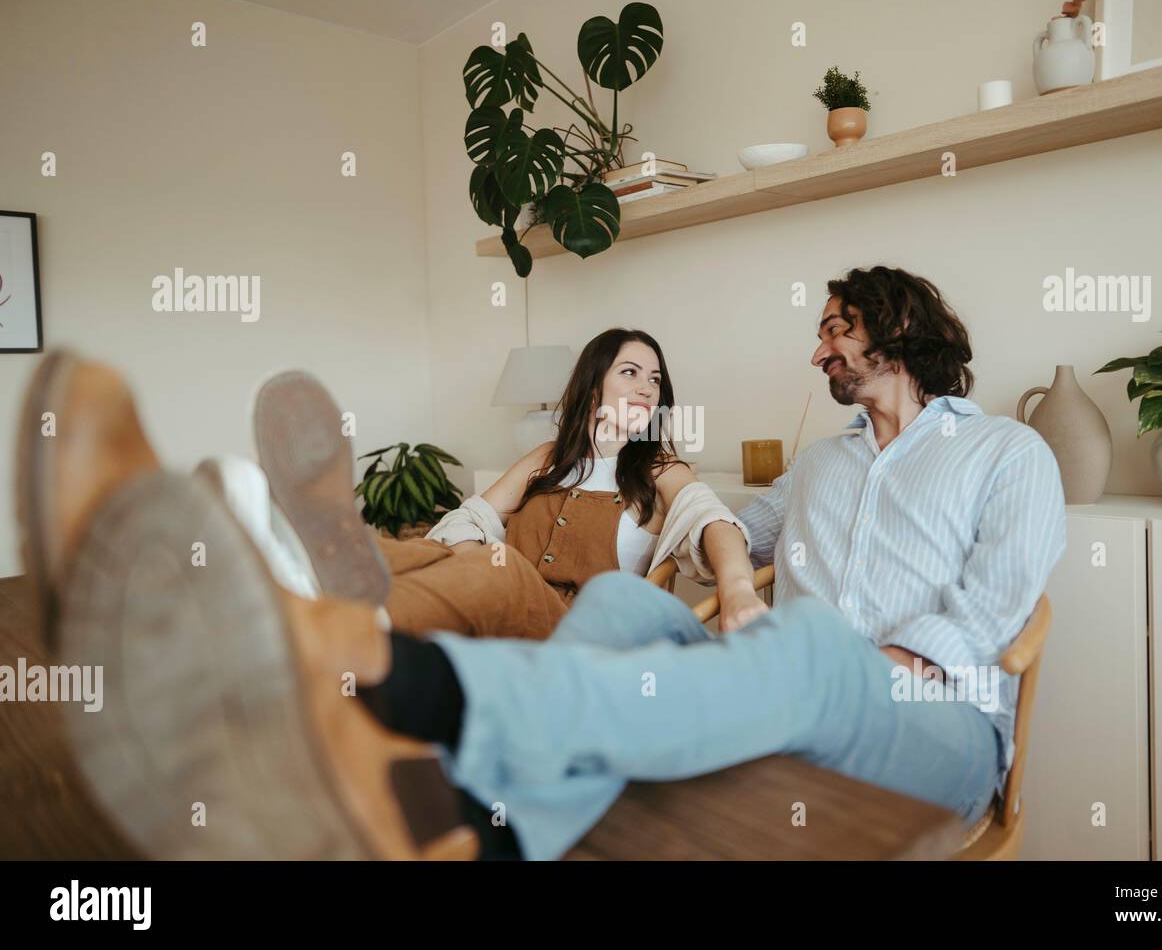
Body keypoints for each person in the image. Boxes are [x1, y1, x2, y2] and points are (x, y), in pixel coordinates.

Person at [17, 266, 1065, 861]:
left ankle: (348, 660)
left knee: (807, 648)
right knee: (614, 601)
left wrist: (794, 635)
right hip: (780, 675)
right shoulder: (821, 465)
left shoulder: (1006, 453)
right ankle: (446, 821)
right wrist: (723, 588)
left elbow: (986, 615)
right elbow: (726, 532)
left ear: (894, 326)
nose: (816, 351)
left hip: (936, 729)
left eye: (834, 328)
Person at [205, 327, 765, 642]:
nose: (646, 388)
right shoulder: (549, 458)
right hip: (506, 608)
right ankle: (298, 559)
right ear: (593, 388)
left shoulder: (659, 468)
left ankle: (325, 584)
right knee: (421, 551)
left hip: (581, 637)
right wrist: (471, 555)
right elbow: (470, 519)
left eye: (655, 379)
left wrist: (738, 588)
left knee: (489, 573)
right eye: (630, 372)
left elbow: (713, 521)